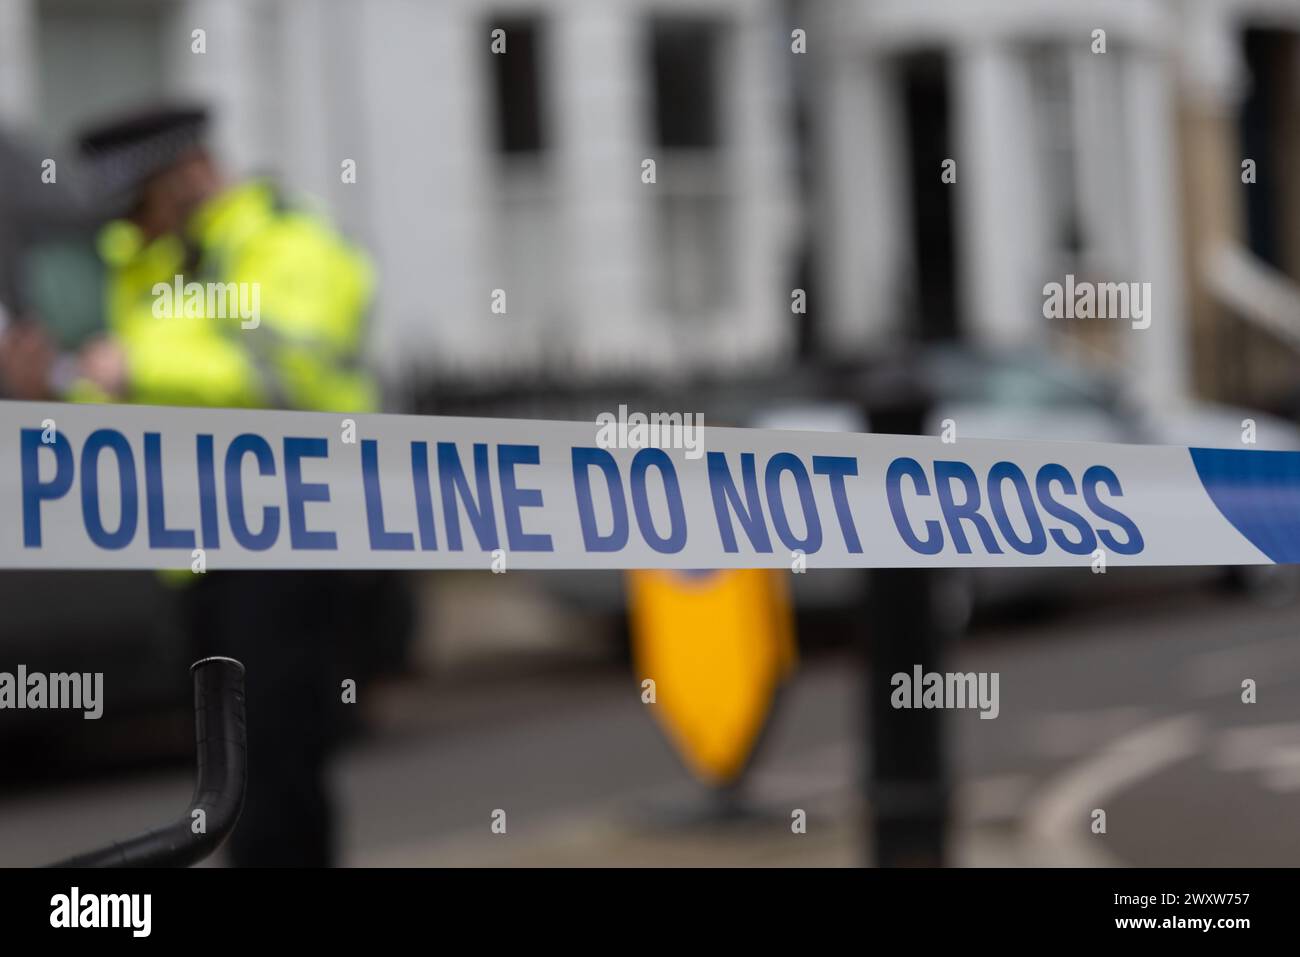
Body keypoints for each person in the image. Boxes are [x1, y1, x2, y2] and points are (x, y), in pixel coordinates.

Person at [5, 105, 378, 866]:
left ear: (189, 174)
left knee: (279, 774)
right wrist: (59, 386)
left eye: (139, 203)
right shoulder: (155, 260)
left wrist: (134, 369)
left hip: (292, 537)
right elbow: (141, 403)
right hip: (202, 550)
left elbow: (289, 376)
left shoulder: (285, 244)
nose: (130, 226)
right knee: (233, 777)